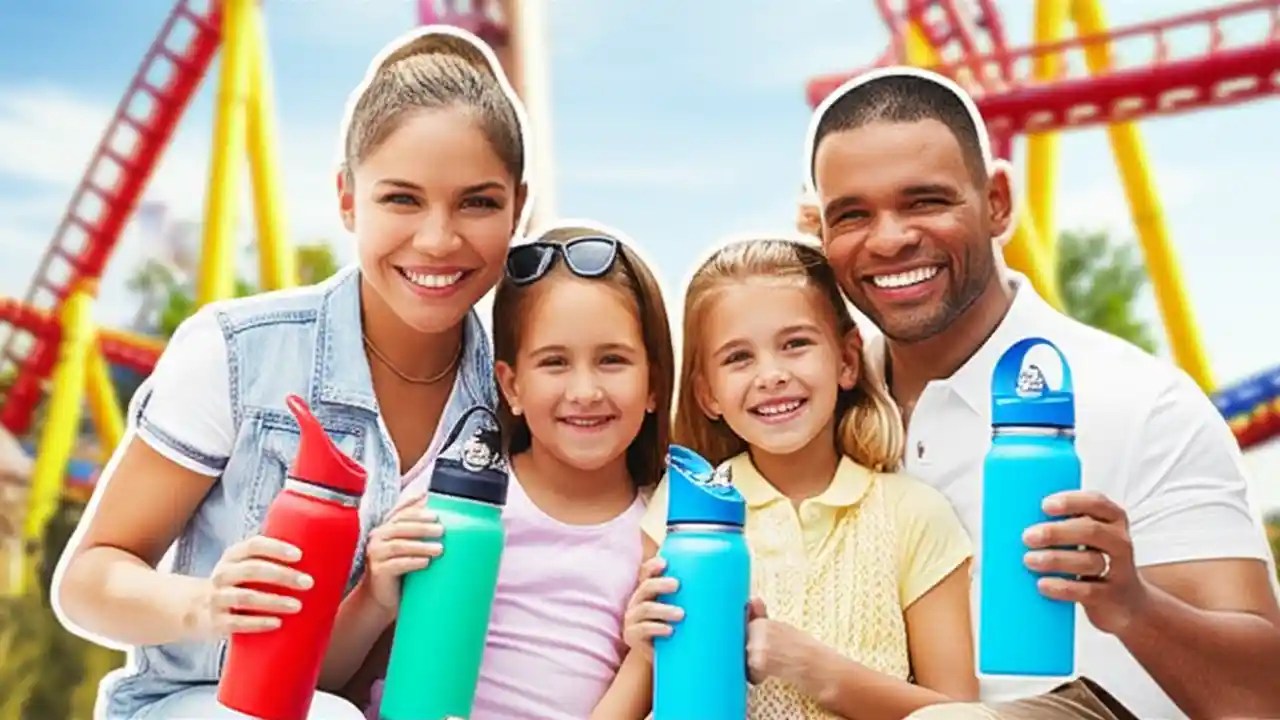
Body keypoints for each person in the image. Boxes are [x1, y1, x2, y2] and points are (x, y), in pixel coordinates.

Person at [50, 26, 531, 719]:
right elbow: (87, 581)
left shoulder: (518, 399)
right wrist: (205, 603)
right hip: (199, 701)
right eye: (401, 199)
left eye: (478, 202)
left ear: (520, 205)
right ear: (346, 198)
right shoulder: (239, 353)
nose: (437, 238)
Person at [805, 66, 1280, 719]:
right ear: (820, 233)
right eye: (852, 215)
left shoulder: (1141, 407)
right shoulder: (803, 415)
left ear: (998, 201)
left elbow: (1262, 700)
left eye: (925, 201)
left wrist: (1132, 605)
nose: (889, 239)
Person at [624, 238, 979, 719]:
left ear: (847, 360)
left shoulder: (912, 515)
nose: (771, 375)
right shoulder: (682, 509)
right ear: (707, 392)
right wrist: (647, 649)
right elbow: (645, 696)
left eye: (795, 345)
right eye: (738, 358)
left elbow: (960, 713)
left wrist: (816, 670)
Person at [355, 222, 676, 720]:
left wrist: (644, 657)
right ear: (512, 387)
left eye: (612, 360)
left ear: (654, 384)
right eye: (554, 363)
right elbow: (323, 678)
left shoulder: (660, 528)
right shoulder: (453, 499)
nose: (585, 391)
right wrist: (374, 597)